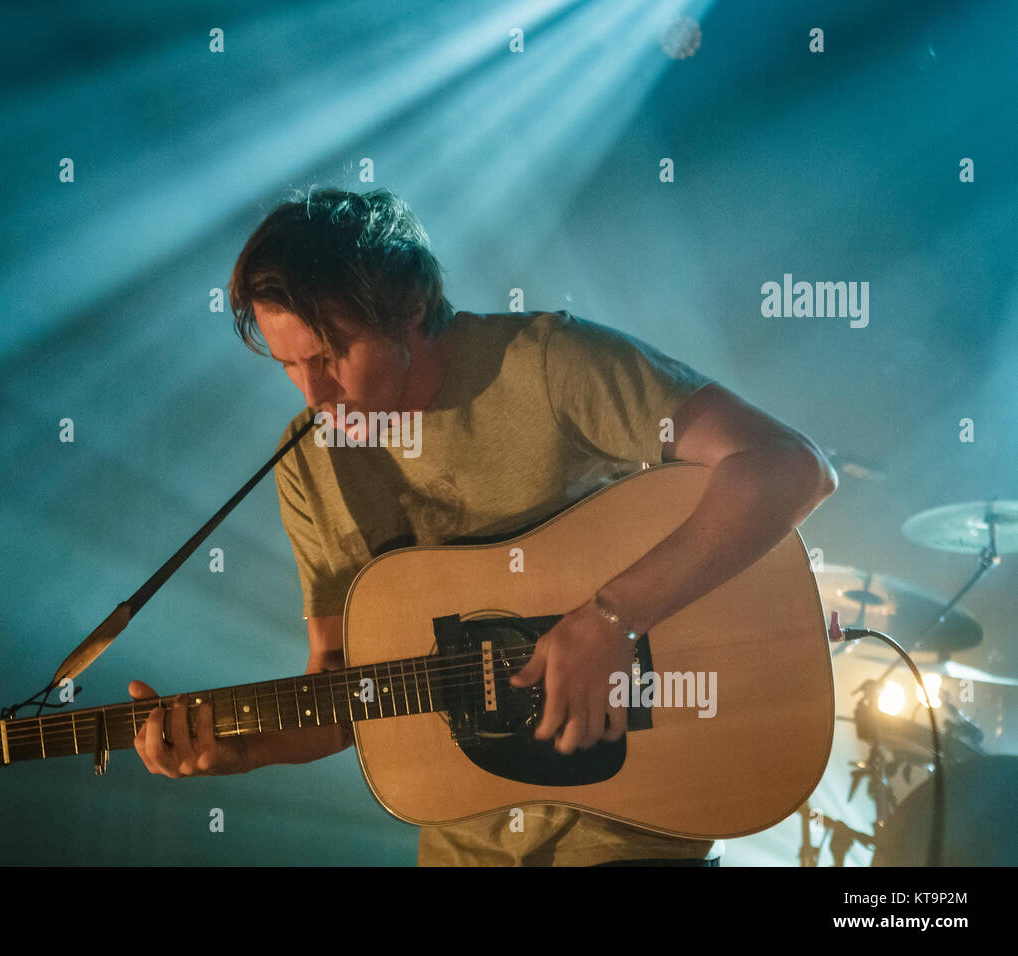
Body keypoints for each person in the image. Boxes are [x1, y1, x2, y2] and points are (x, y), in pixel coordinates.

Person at [128, 187, 837, 866]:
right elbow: (346, 690)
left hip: (639, 822)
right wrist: (244, 750)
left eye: (330, 355)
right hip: (466, 839)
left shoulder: (548, 365)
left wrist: (612, 619)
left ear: (407, 308)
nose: (315, 394)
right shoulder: (309, 463)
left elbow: (790, 466)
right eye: (288, 366)